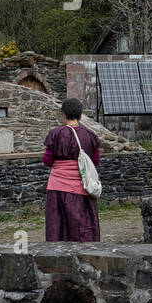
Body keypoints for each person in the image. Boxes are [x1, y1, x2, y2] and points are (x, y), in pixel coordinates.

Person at [42, 98, 101, 242]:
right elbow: (96, 161)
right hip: (83, 188)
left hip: (58, 189)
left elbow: (47, 161)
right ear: (80, 116)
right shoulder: (90, 135)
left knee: (58, 226)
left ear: (63, 115)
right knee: (82, 226)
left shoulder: (55, 134)